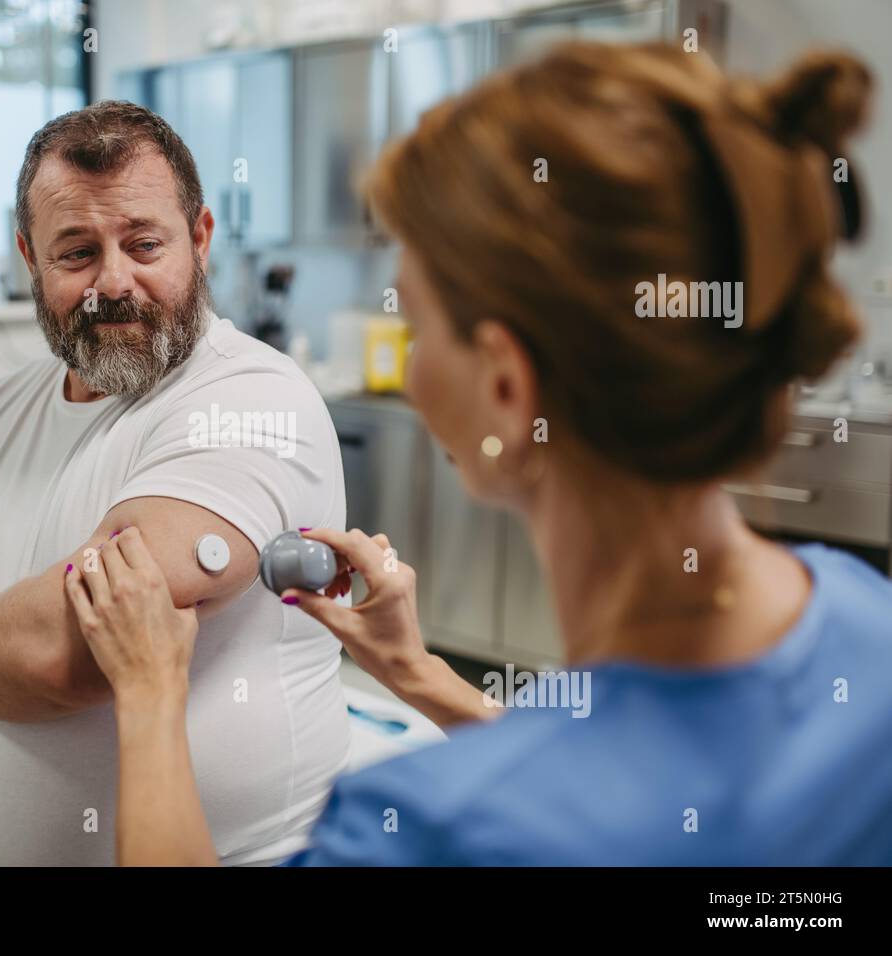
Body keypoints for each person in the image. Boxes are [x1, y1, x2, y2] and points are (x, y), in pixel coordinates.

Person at [64, 43, 892, 865]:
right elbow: (622, 788)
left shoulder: (430, 830)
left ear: (506, 389)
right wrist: (419, 672)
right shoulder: (864, 624)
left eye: (419, 326)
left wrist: (147, 695)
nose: (412, 368)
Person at [0, 101, 350, 866]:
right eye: (75, 253)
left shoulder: (254, 401)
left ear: (199, 240)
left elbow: (68, 652)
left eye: (144, 244)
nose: (113, 282)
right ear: (28, 259)